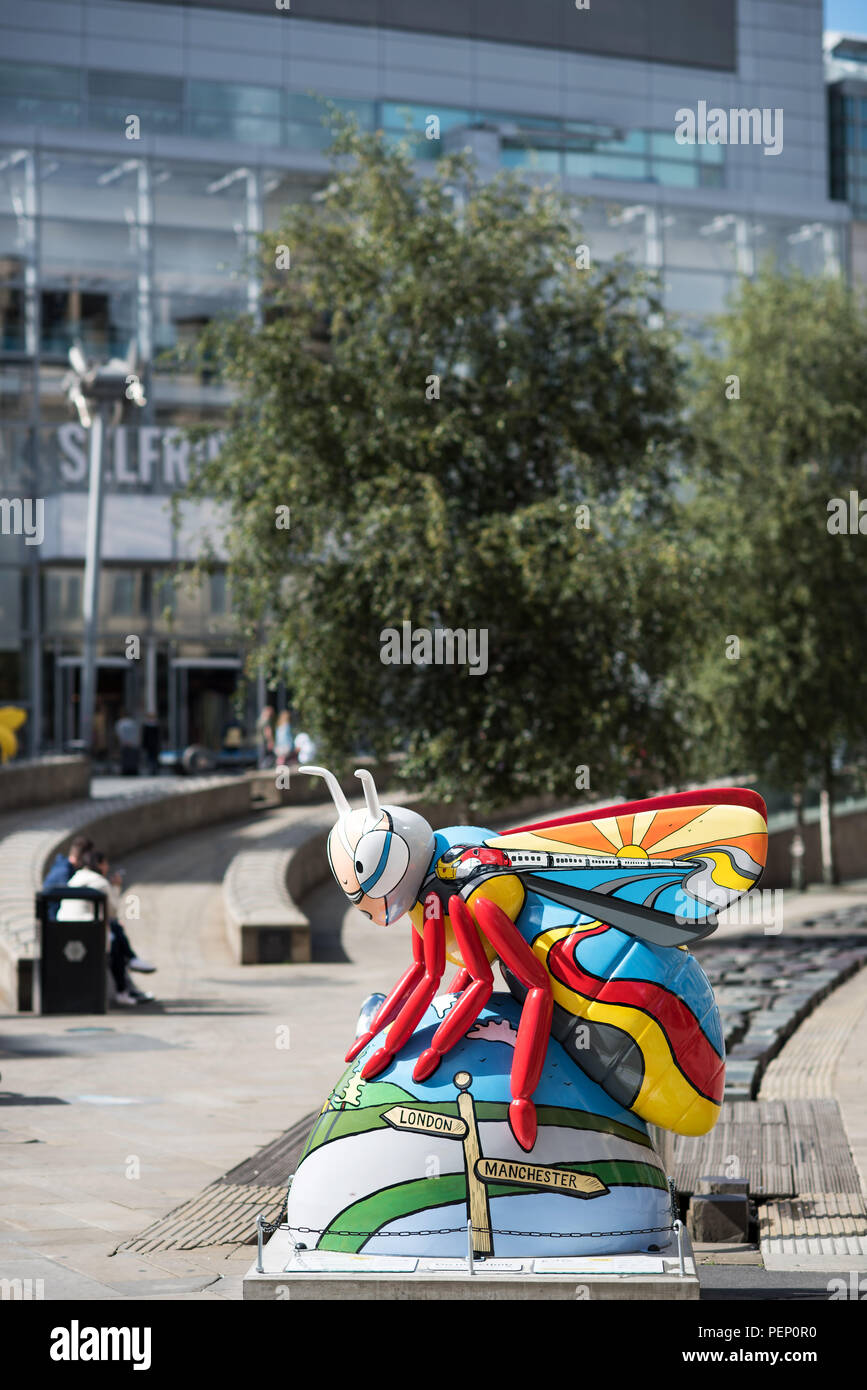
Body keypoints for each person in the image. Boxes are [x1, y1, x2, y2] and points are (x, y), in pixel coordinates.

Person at [55, 848, 156, 1006]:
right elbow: (113, 911)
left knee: (114, 931)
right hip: (86, 933)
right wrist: (115, 887)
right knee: (115, 942)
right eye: (106, 863)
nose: (107, 867)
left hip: (63, 929)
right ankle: (124, 984)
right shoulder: (100, 883)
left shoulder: (76, 877)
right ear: (100, 864)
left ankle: (131, 962)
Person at [115, 710, 140, 776]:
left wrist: (123, 741)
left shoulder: (121, 723)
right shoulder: (133, 723)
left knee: (125, 759)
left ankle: (126, 771)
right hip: (133, 743)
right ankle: (133, 771)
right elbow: (136, 733)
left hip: (124, 743)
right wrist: (134, 741)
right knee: (132, 759)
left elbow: (119, 733)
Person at [141, 711, 161, 776]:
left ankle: (153, 769)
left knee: (153, 757)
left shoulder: (155, 725)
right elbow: (144, 736)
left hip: (153, 744)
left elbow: (158, 736)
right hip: (151, 744)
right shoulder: (148, 726)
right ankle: (152, 769)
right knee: (150, 757)